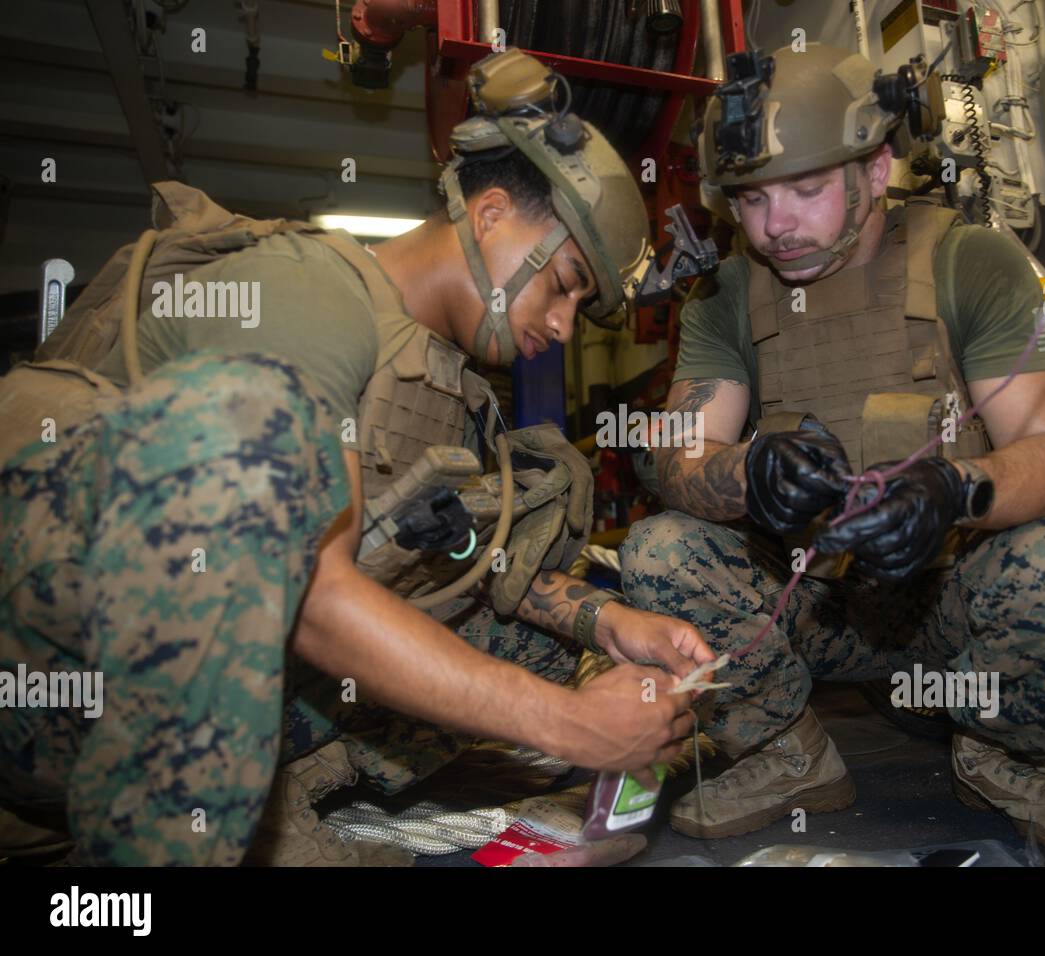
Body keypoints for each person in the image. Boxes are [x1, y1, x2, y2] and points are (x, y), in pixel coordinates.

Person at [0, 49, 712, 866]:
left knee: (525, 620)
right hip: (61, 693)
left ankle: (294, 790)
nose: (562, 325)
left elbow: (475, 562)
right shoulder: (312, 292)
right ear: (489, 216)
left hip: (199, 693)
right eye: (567, 284)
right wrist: (570, 724)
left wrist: (610, 621)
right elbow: (310, 588)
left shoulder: (454, 392)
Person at [619, 42, 1045, 851]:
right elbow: (678, 457)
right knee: (658, 551)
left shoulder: (968, 260)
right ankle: (788, 751)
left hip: (952, 601)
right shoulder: (729, 295)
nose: (778, 228)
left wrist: (954, 491)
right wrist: (746, 477)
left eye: (805, 191)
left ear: (875, 171)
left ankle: (996, 749)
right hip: (809, 603)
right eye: (753, 202)